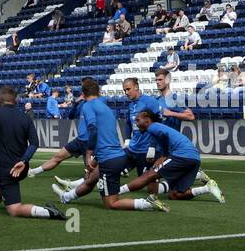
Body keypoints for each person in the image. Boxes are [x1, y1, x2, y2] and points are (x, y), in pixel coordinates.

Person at [51, 78, 166, 212]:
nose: (126, 92)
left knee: (111, 203)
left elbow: (93, 129)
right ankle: (66, 197)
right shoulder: (105, 108)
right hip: (118, 155)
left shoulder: (88, 106)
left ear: (83, 93)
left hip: (110, 159)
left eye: (128, 89)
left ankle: (146, 203)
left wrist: (89, 154)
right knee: (91, 178)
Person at [0, 86, 65, 220]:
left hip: (8, 170)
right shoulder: (25, 117)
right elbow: (34, 143)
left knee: (14, 209)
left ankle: (48, 212)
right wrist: (24, 160)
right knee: (5, 182)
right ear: (16, 101)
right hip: (22, 168)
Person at [115, 110, 224, 204]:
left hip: (182, 155)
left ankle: (117, 191)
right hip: (194, 158)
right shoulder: (156, 128)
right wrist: (164, 155)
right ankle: (207, 188)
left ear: (147, 120)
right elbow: (163, 137)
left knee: (149, 175)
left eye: (138, 120)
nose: (136, 124)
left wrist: (158, 151)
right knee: (175, 195)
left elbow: (163, 135)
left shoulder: (152, 127)